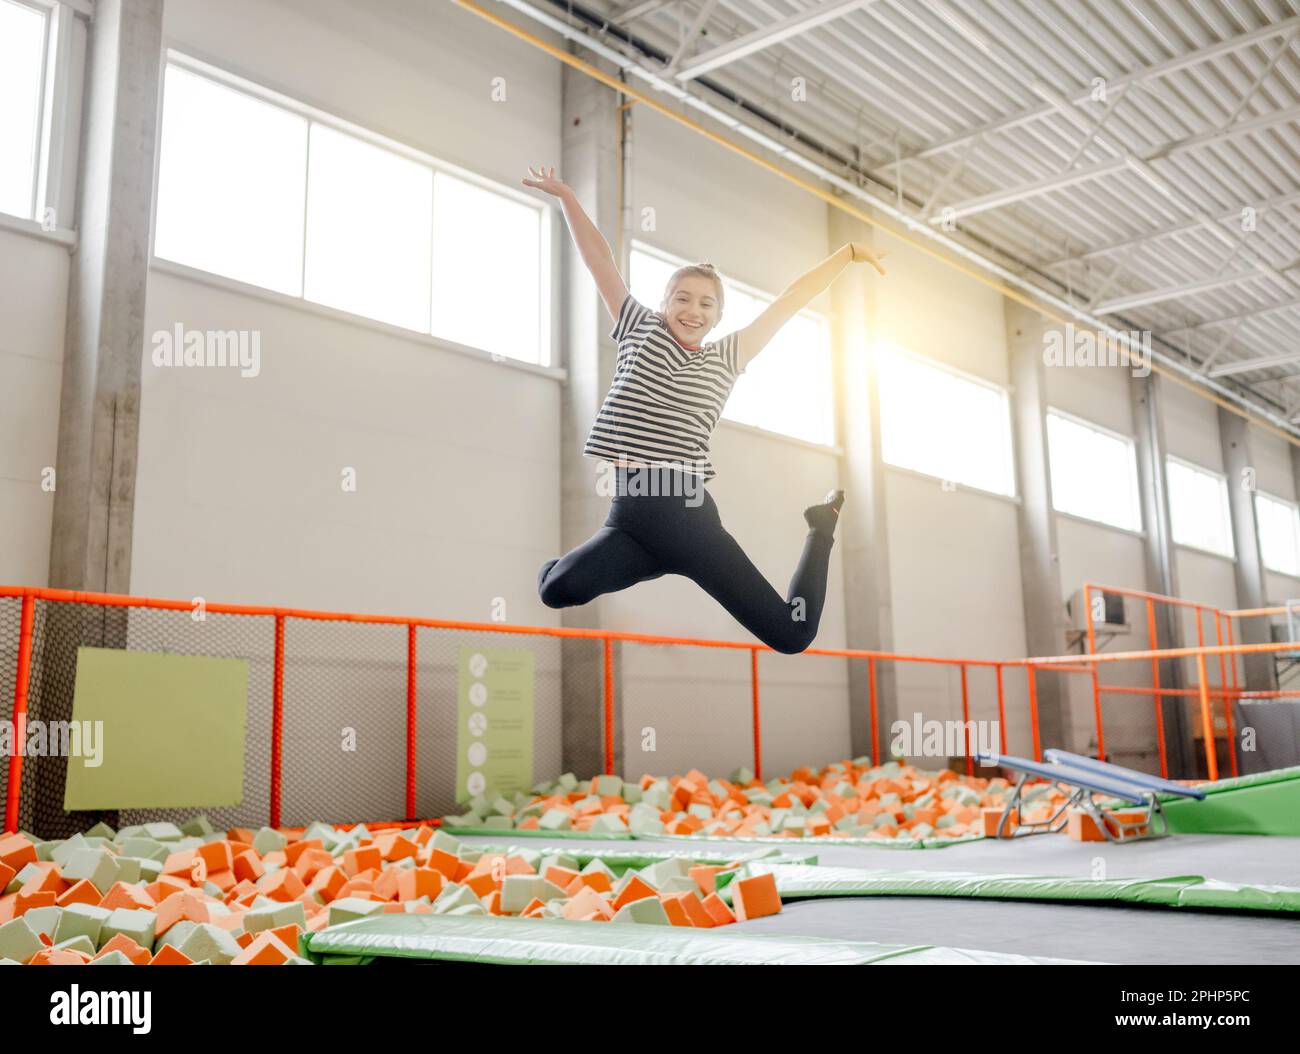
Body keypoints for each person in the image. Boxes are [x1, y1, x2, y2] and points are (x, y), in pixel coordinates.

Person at [524, 164, 887, 653]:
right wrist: (566, 195)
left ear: (719, 316)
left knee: (792, 635)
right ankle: (654, 560)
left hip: (686, 516)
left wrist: (846, 255)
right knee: (555, 590)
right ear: (665, 301)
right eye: (683, 298)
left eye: (707, 305)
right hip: (628, 517)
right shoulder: (639, 328)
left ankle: (821, 527)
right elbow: (598, 259)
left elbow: (790, 299)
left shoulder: (727, 357)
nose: (693, 311)